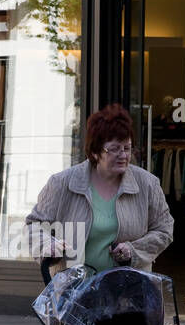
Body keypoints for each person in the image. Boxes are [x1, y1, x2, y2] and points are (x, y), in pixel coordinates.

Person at [26, 104, 173, 280]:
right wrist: (47, 244)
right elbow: (34, 225)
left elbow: (164, 230)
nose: (123, 155)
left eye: (127, 148)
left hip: (127, 294)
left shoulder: (148, 184)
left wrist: (134, 250)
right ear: (95, 152)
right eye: (114, 149)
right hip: (74, 293)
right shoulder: (62, 183)